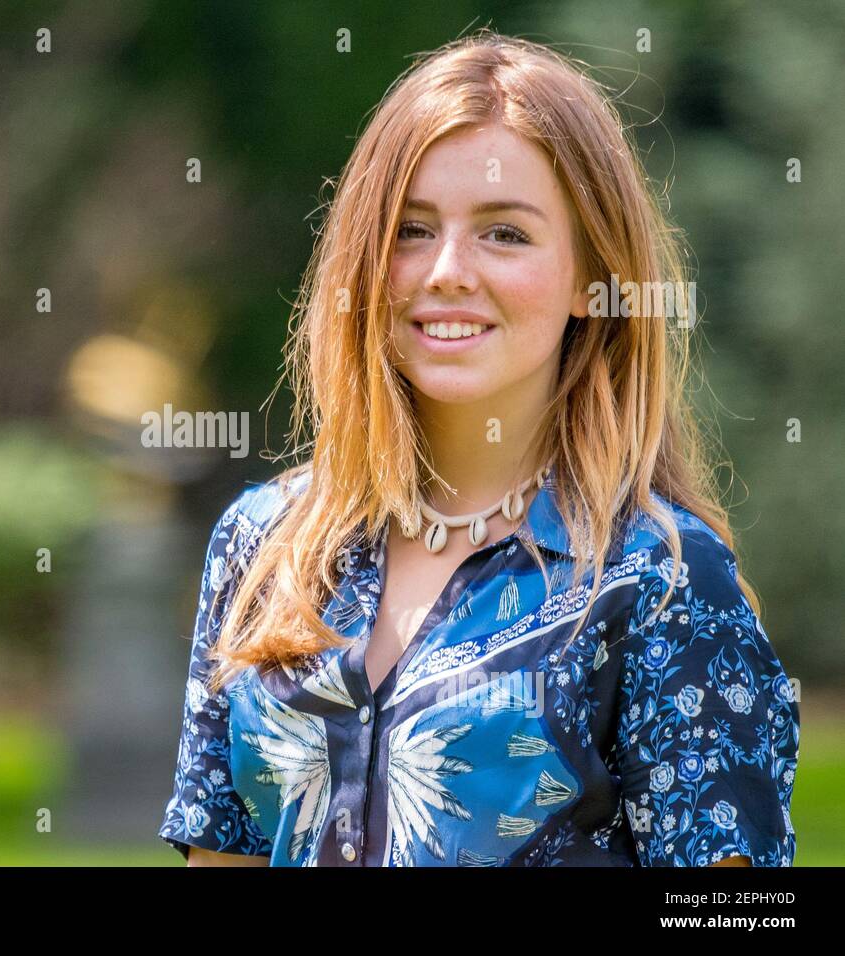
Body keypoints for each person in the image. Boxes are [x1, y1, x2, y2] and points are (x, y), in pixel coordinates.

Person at [156, 30, 800, 867]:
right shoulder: (263, 548)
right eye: (412, 230)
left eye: (505, 234)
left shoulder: (661, 580)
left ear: (589, 277)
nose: (448, 271)